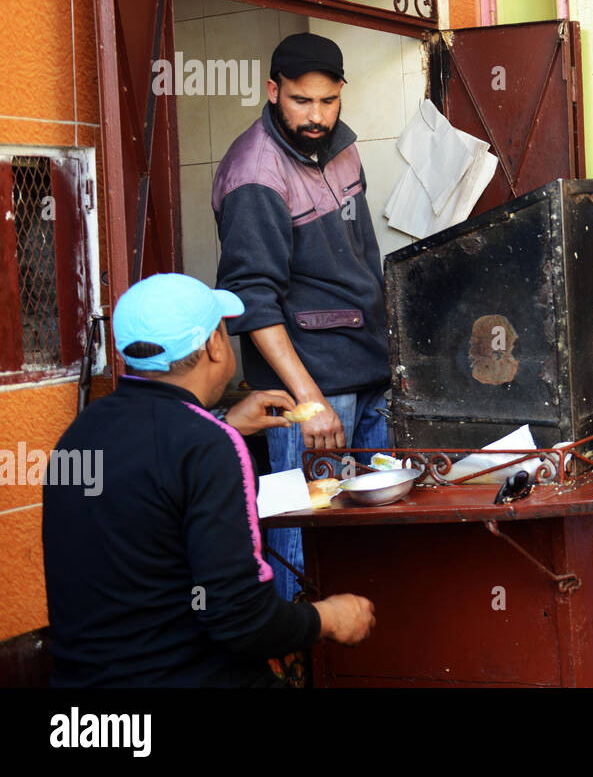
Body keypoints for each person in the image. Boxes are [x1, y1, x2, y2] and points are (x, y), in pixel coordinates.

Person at [42, 274, 375, 687]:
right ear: (214, 346)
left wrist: (225, 426)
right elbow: (241, 619)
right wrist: (329, 617)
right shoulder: (209, 447)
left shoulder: (79, 436)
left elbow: (151, 479)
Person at [212, 33, 391, 601]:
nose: (316, 117)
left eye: (328, 100)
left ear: (342, 93)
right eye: (300, 101)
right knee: (305, 535)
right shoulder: (254, 174)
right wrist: (308, 401)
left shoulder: (343, 147)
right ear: (273, 91)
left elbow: (366, 256)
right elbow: (252, 301)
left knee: (373, 528)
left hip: (370, 368)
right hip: (312, 385)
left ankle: (367, 648)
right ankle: (300, 660)